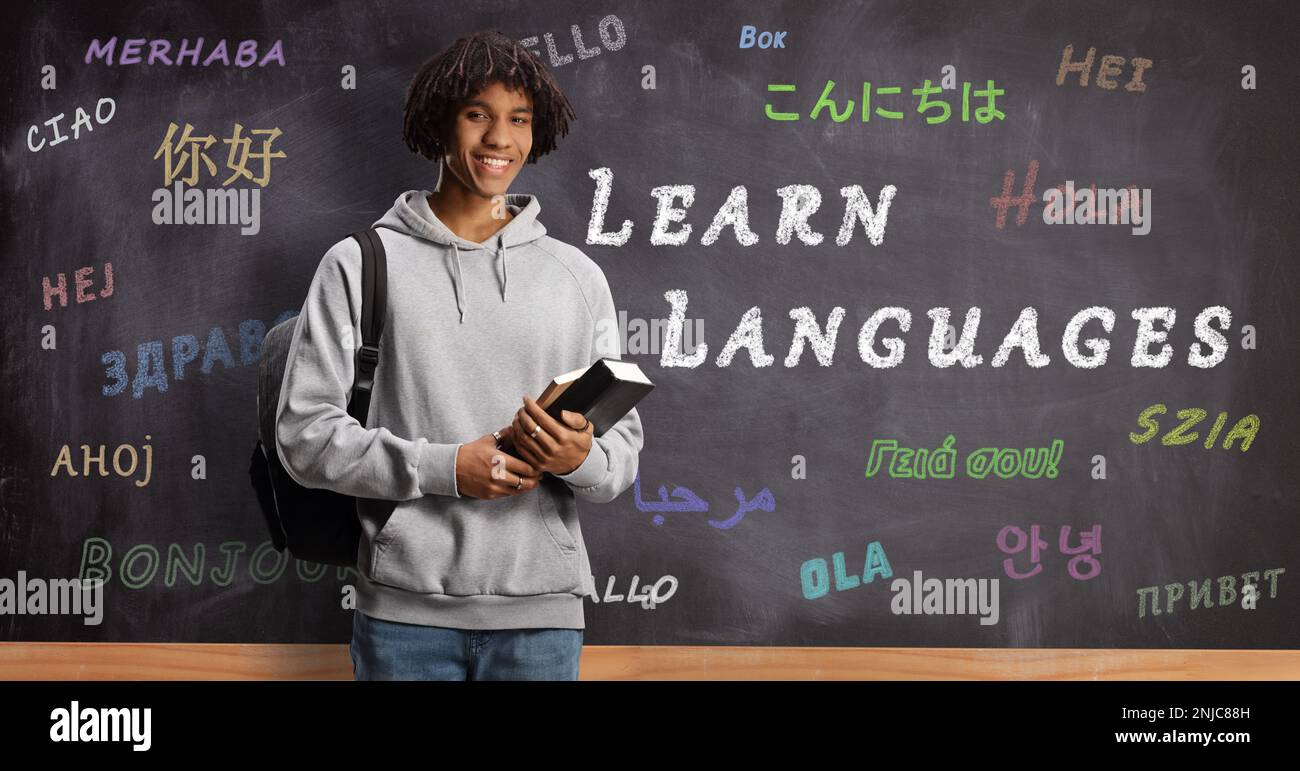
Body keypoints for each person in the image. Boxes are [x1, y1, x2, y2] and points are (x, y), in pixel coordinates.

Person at [274, 30, 643, 680]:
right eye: (478, 114)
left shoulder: (577, 279)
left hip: (543, 619)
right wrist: (445, 467)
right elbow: (304, 437)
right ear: (439, 122)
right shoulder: (361, 265)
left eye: (518, 120)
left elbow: (620, 462)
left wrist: (577, 454)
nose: (500, 138)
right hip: (403, 618)